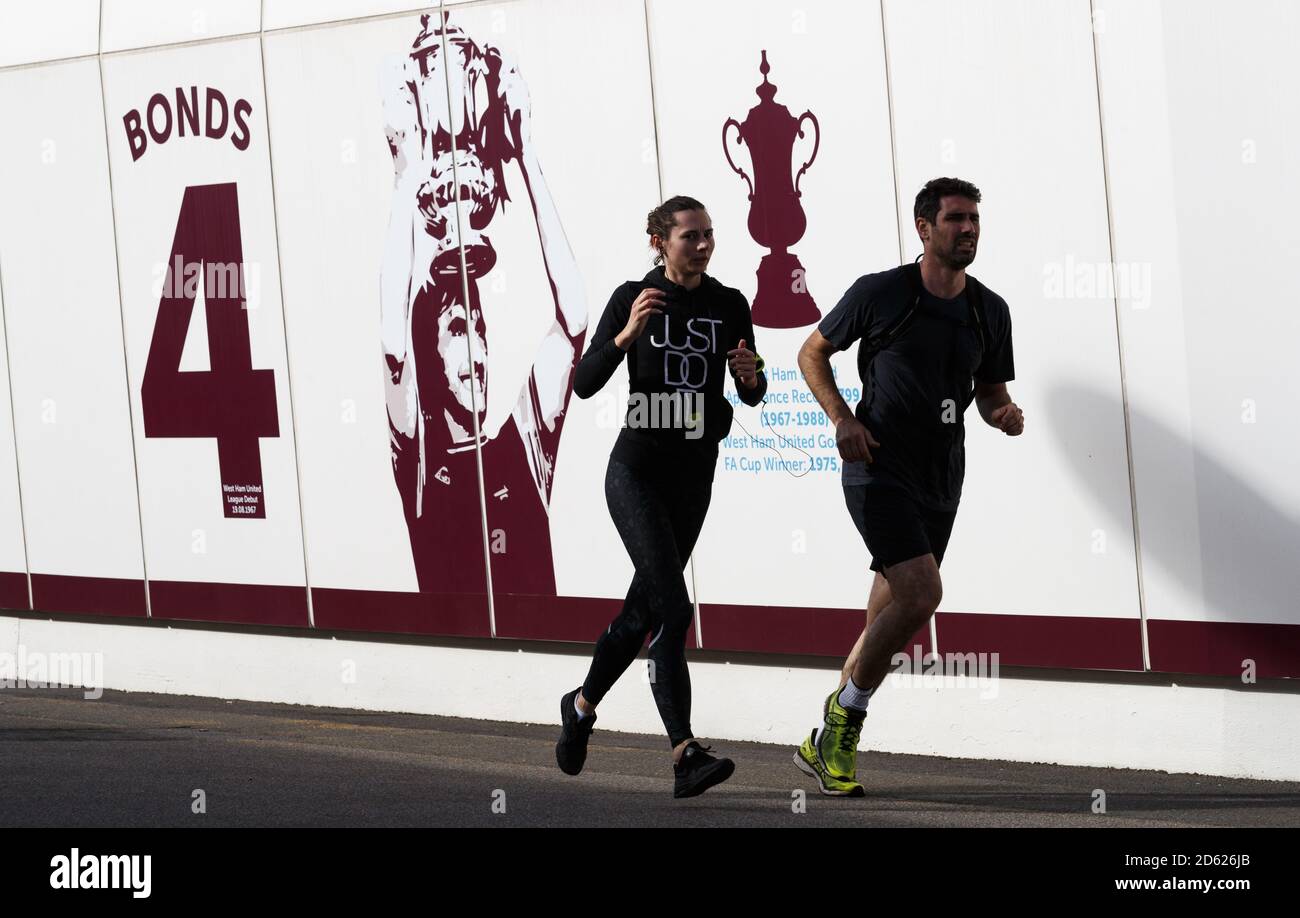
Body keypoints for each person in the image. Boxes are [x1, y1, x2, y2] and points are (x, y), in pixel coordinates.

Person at [793, 177, 1024, 796]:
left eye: (974, 219)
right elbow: (811, 353)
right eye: (956, 219)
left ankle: (822, 741)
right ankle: (847, 720)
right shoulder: (882, 293)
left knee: (886, 619)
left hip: (942, 480)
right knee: (921, 595)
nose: (968, 229)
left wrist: (1003, 414)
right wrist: (842, 420)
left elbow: (990, 395)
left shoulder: (989, 309)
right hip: (877, 466)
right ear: (924, 227)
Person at [554, 195, 767, 798]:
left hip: (693, 476)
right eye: (689, 236)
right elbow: (586, 382)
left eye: (708, 235)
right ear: (659, 241)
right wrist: (625, 336)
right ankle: (684, 752)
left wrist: (752, 378)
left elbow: (751, 391)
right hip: (637, 472)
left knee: (643, 613)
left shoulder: (729, 305)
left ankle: (580, 705)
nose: (702, 245)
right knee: (675, 609)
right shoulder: (634, 297)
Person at [380, 12, 586, 598]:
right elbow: (394, 347)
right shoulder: (418, 465)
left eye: (480, 329)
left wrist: (526, 157)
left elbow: (573, 324)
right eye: (456, 328)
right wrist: (405, 172)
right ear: (431, 350)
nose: (477, 349)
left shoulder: (519, 447)